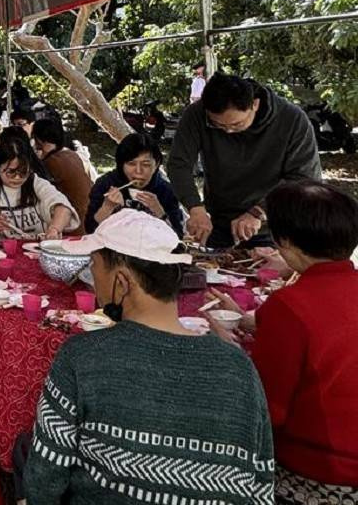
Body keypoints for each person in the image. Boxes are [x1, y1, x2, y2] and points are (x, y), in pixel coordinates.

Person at [23, 209, 275, 505]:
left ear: (121, 281)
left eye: (94, 267)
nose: (92, 278)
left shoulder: (82, 356)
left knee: (24, 450)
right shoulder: (238, 366)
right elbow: (261, 481)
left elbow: (42, 485)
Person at [204, 181, 358, 501]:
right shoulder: (297, 305)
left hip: (323, 472)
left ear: (285, 242)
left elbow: (267, 409)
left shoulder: (290, 305)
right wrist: (254, 323)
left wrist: (230, 352)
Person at [168, 73, 320, 248]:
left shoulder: (292, 120)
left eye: (236, 124)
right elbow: (179, 164)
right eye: (218, 126)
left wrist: (258, 212)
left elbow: (304, 179)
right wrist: (195, 208)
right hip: (219, 221)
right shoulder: (196, 114)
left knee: (267, 273)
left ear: (255, 104)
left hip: (276, 226)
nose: (228, 132)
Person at [0, 137, 78, 241]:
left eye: (23, 172)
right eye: (11, 172)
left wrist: (54, 229)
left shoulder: (35, 182)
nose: (18, 178)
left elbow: (63, 207)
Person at [86, 132, 184, 236]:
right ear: (121, 165)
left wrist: (159, 212)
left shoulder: (165, 190)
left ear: (157, 164)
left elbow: (177, 236)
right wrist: (107, 207)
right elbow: (90, 229)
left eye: (145, 164)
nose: (138, 171)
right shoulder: (106, 184)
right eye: (131, 164)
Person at [31, 118, 90, 235]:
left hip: (74, 225)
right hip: (89, 221)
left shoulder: (52, 162)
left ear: (39, 140)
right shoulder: (71, 154)